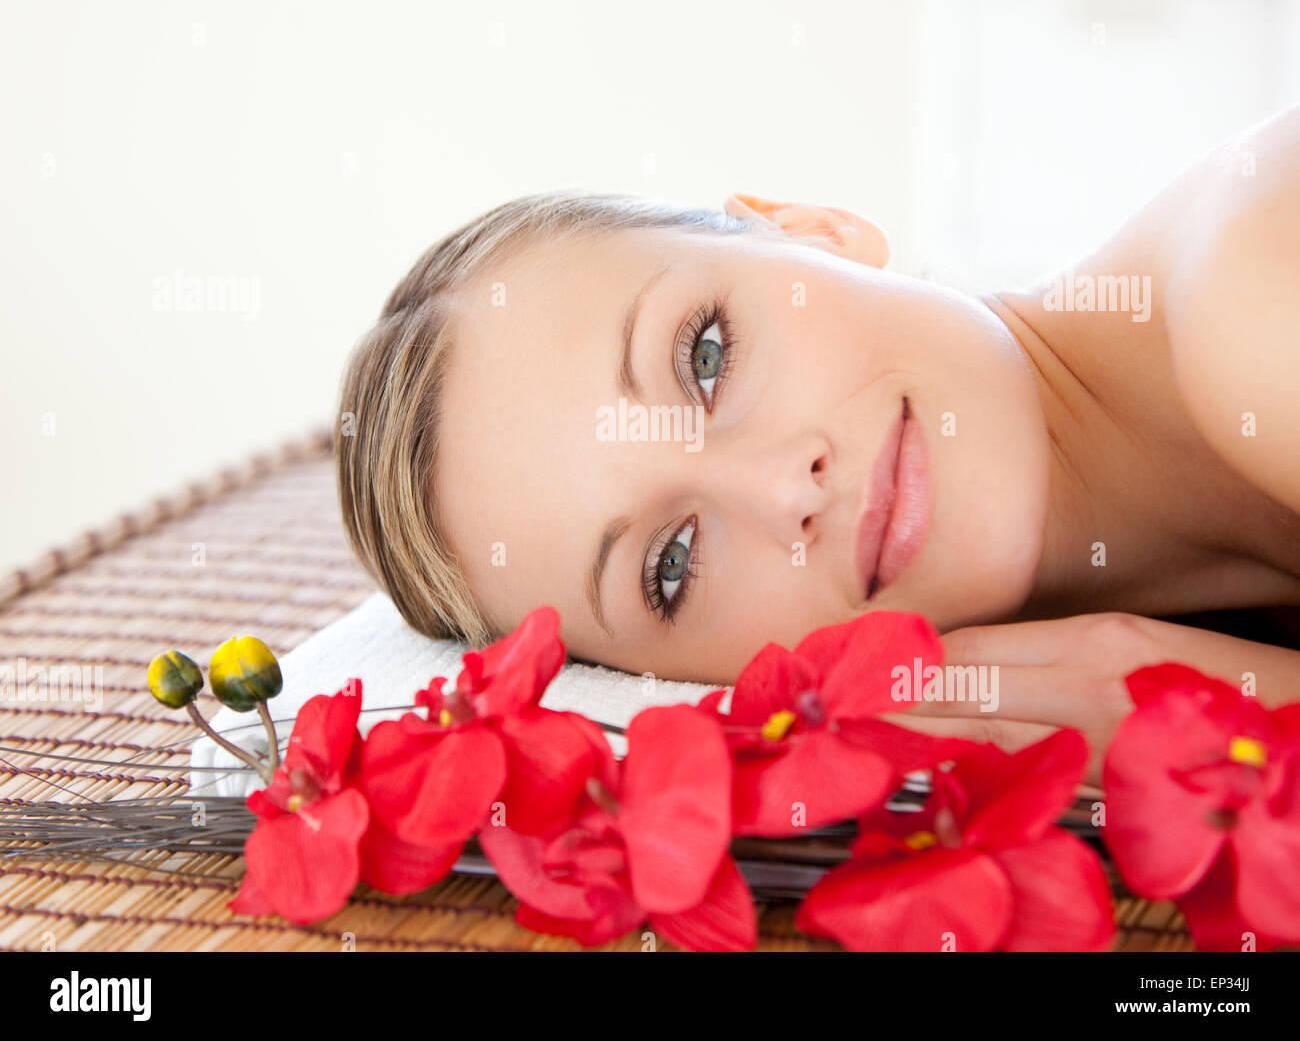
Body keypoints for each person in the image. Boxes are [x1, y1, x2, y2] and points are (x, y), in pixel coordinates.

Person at [336, 105, 1300, 784]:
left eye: (705, 355)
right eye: (670, 566)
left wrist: (1251, 711)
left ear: (813, 230)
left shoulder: (1255, 300)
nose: (779, 487)